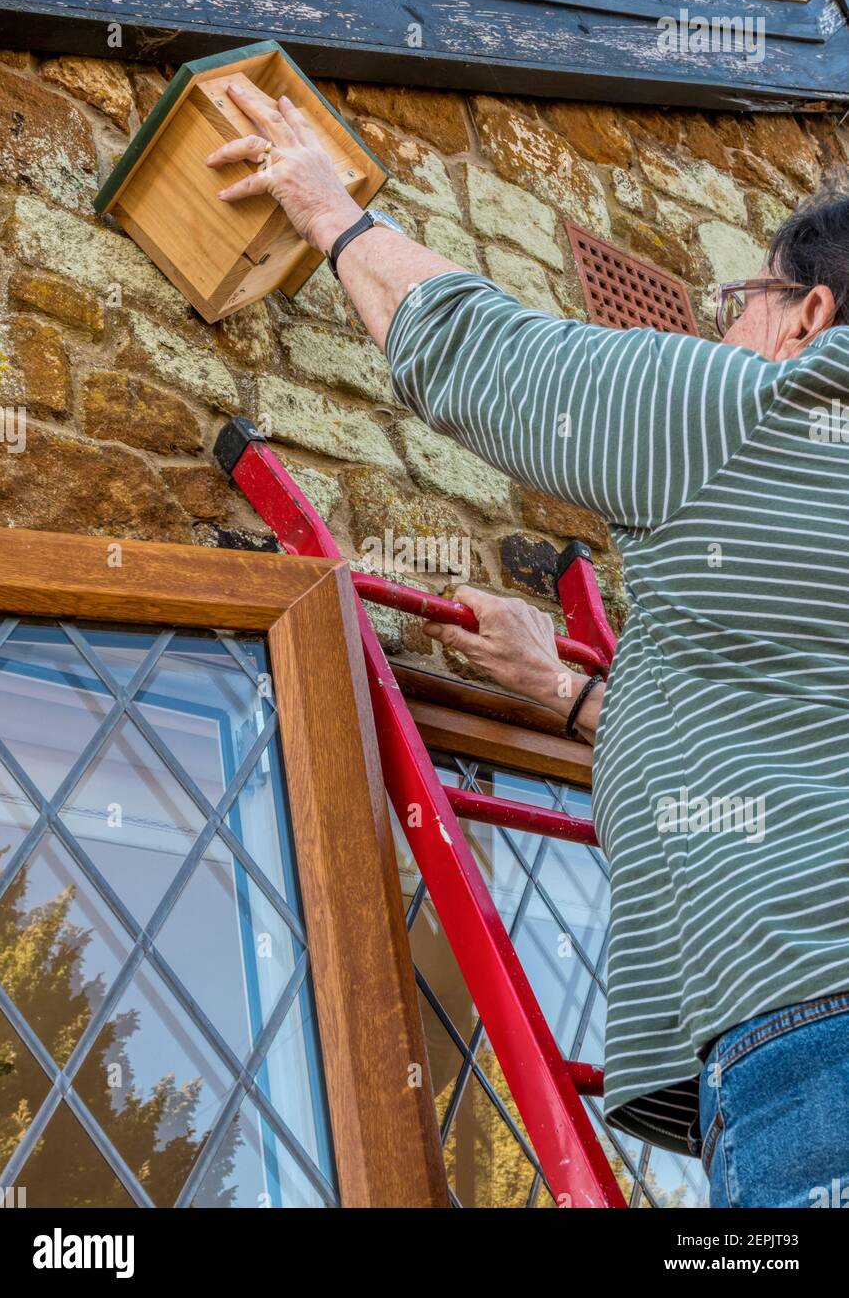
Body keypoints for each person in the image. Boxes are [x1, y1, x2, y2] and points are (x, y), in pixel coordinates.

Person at [208, 82, 849, 1207]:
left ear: (807, 316)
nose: (717, 332)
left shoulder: (765, 410)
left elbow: (485, 356)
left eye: (737, 302)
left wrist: (331, 212)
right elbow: (781, 702)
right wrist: (562, 695)